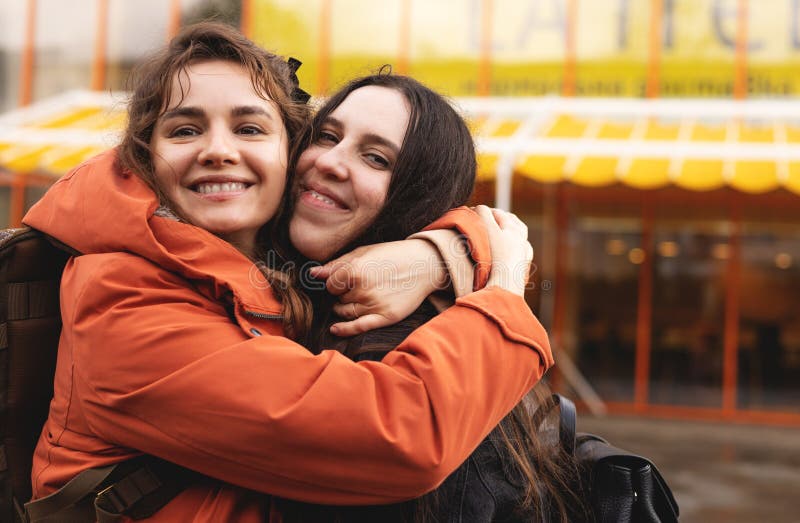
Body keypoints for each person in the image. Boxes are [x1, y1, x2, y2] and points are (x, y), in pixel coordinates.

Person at [23, 22, 553, 521]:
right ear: (144, 155)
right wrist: (503, 288)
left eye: (249, 127)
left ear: (285, 149)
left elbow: (482, 220)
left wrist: (436, 254)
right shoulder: (123, 298)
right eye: (184, 130)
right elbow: (396, 434)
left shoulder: (274, 260)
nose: (219, 151)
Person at [271, 73, 580, 522]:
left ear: (420, 193)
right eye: (327, 136)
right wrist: (447, 251)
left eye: (376, 158)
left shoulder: (398, 352)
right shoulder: (296, 290)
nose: (330, 162)